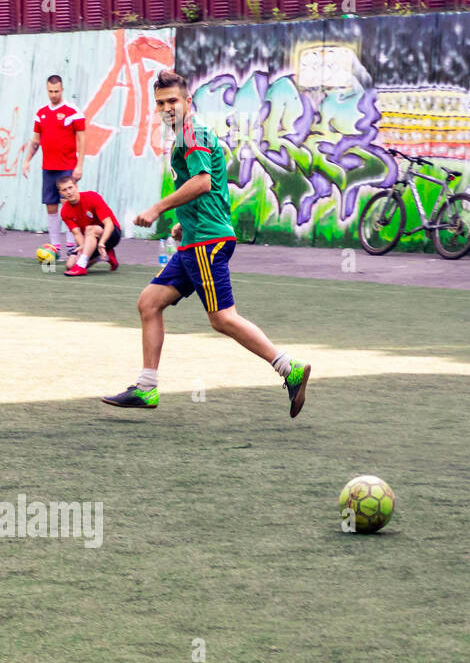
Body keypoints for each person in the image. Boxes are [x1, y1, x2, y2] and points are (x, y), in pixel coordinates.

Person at [101, 70, 310, 417]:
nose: (167, 108)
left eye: (173, 101)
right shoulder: (186, 135)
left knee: (222, 318)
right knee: (149, 303)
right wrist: (185, 223)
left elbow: (201, 182)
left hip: (208, 243)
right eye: (161, 103)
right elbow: (211, 189)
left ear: (187, 102)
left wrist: (158, 208)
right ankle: (146, 388)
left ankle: (290, 369)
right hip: (195, 240)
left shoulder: (192, 132)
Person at [21, 75, 86, 260]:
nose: (54, 95)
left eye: (57, 91)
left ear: (62, 90)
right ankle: (55, 246)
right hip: (48, 168)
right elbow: (35, 141)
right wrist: (27, 161)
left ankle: (72, 246)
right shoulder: (41, 113)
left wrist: (79, 165)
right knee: (51, 207)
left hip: (67, 167)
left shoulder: (73, 111)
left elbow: (82, 139)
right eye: (50, 91)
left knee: (69, 206)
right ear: (47, 90)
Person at [56, 175, 121, 276]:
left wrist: (102, 243)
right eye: (64, 190)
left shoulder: (92, 197)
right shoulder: (65, 212)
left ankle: (81, 267)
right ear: (61, 193)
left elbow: (109, 224)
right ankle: (103, 256)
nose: (69, 192)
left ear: (76, 187)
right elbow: (77, 234)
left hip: (110, 234)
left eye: (70, 187)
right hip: (90, 238)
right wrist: (83, 246)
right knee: (70, 265)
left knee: (90, 229)